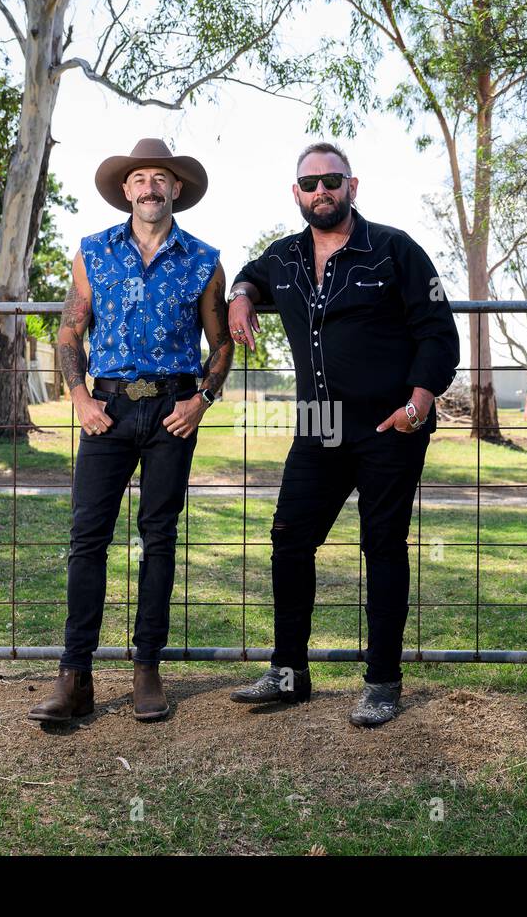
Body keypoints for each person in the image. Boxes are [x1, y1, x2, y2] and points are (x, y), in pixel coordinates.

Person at [226, 142, 459, 727]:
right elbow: (249, 277)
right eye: (310, 184)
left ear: (353, 186)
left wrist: (419, 402)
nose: (321, 191)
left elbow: (438, 333)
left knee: (382, 547)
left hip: (389, 426)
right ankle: (289, 672)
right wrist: (240, 297)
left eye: (332, 180)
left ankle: (382, 682)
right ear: (296, 194)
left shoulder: (395, 250)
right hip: (317, 427)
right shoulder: (283, 258)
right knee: (289, 538)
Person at [28, 138, 232, 724]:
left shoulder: (203, 260)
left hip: (172, 411)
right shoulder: (93, 253)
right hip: (108, 412)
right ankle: (75, 677)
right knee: (87, 538)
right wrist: (79, 397)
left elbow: (219, 345)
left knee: (158, 539)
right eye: (140, 179)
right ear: (126, 190)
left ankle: (147, 668)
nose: (150, 188)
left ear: (176, 190)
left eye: (160, 179)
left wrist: (202, 401)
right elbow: (70, 333)